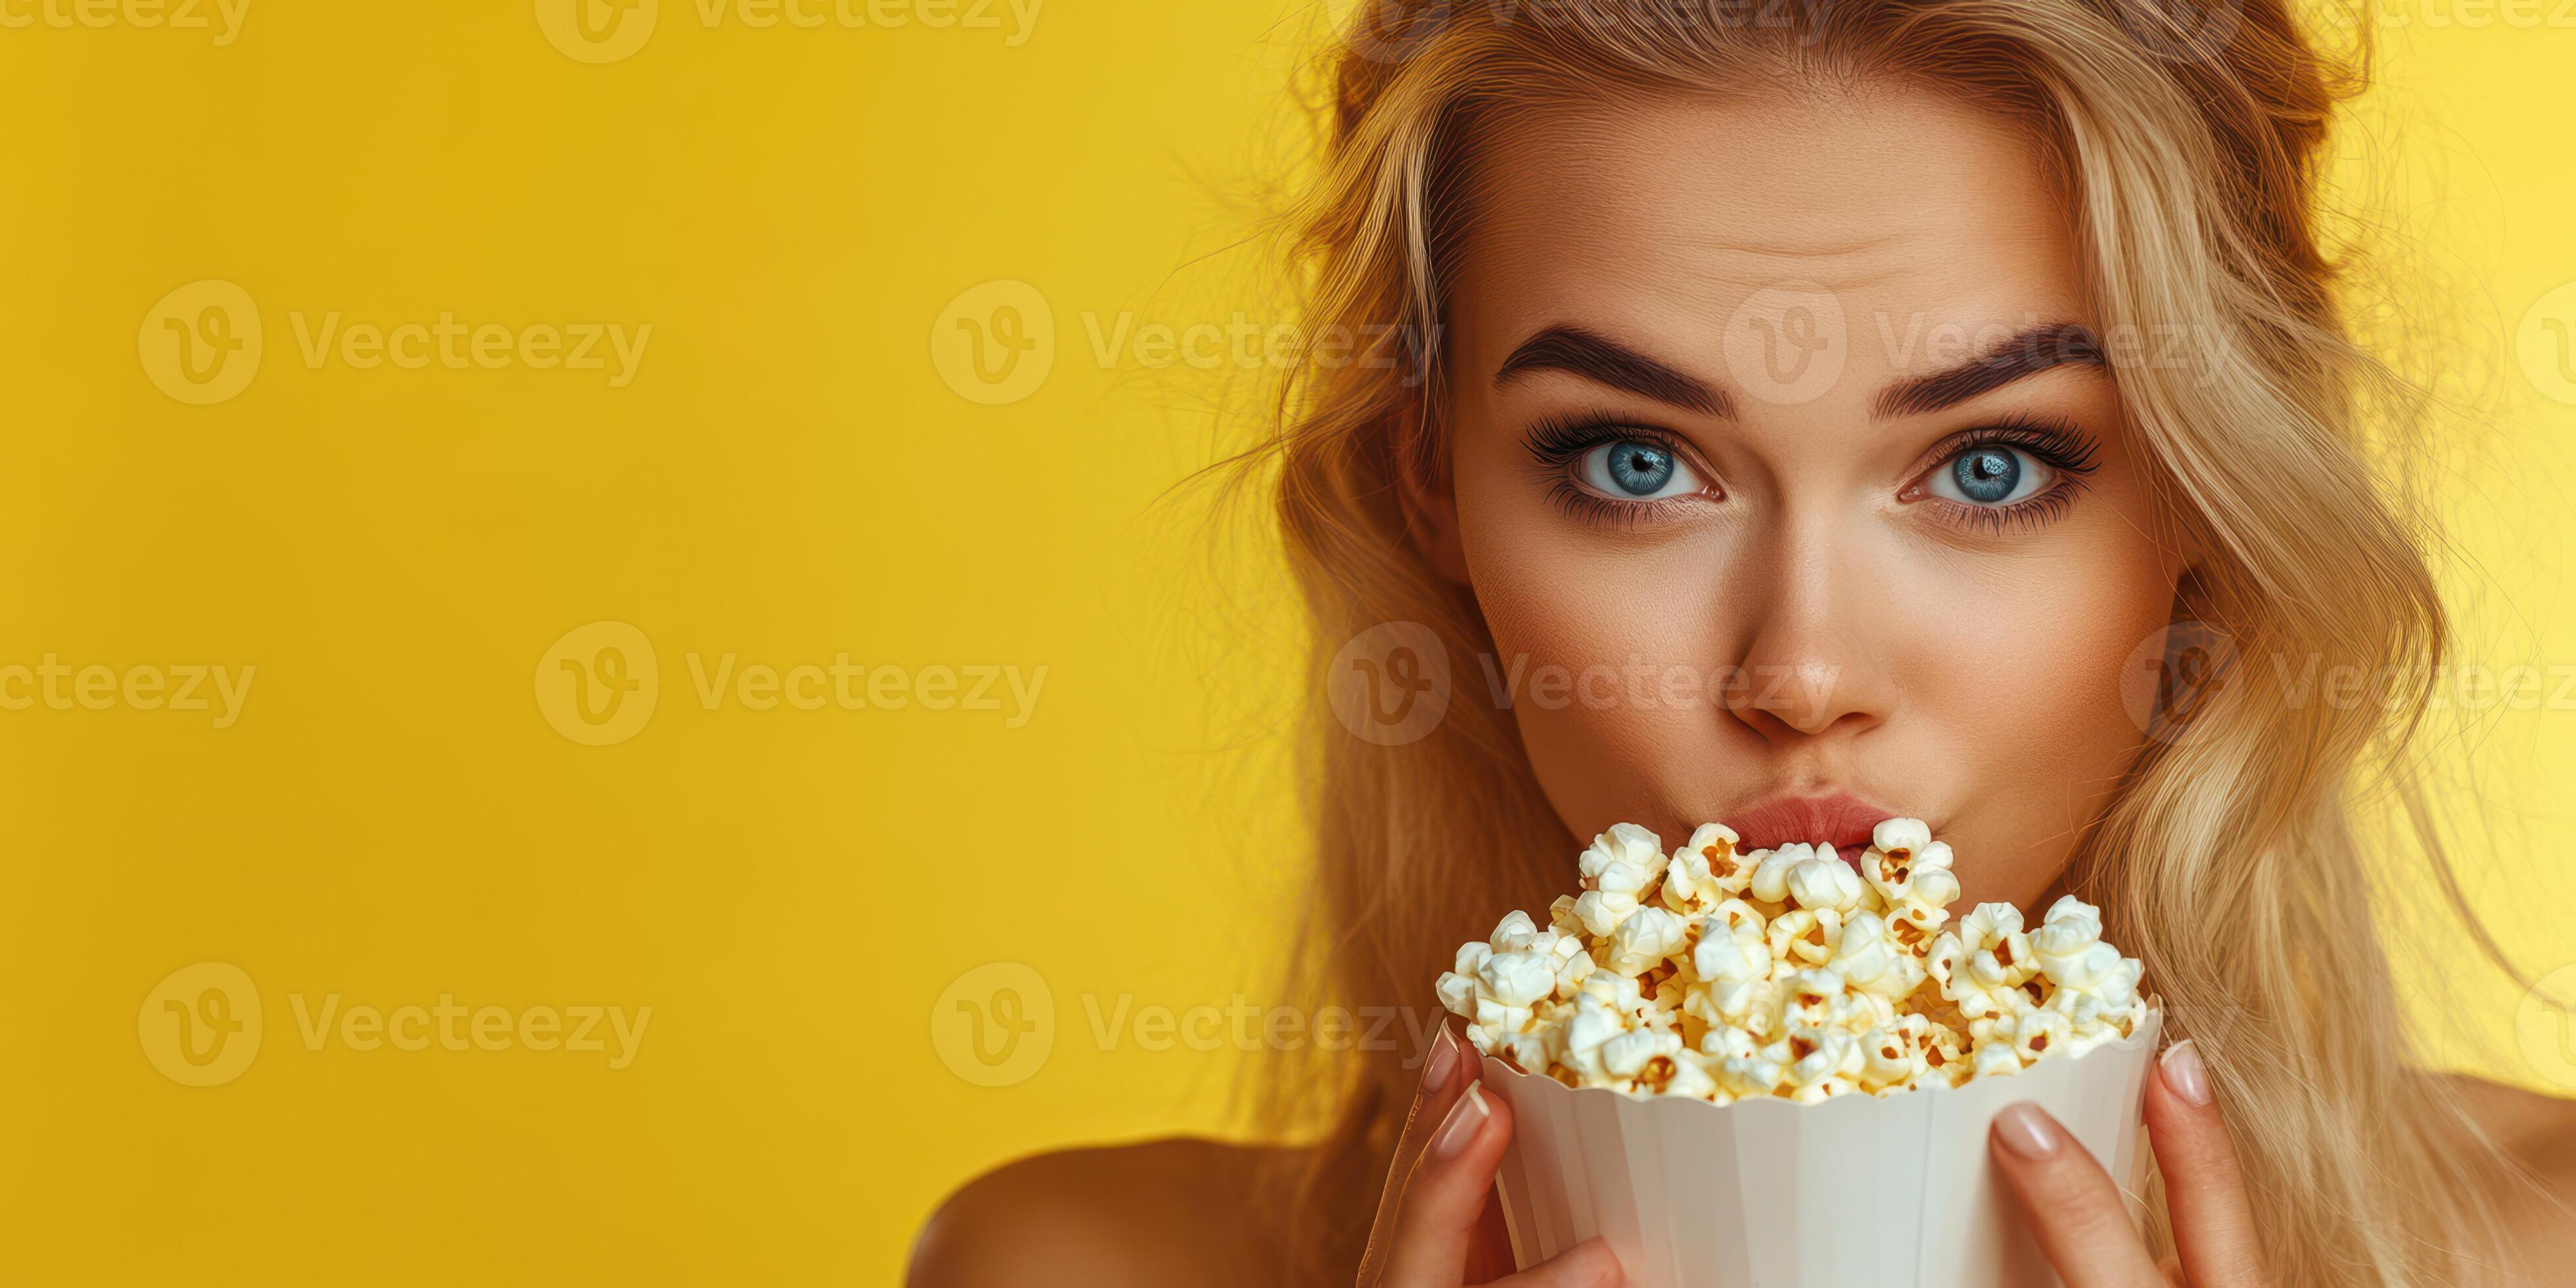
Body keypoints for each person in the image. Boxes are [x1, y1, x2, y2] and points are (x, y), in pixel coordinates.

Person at [911, 0, 2576, 1282]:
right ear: (1432, 487)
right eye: (1634, 463)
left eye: (1990, 465)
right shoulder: (1081, 1260)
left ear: (2209, 503)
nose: (1799, 671)